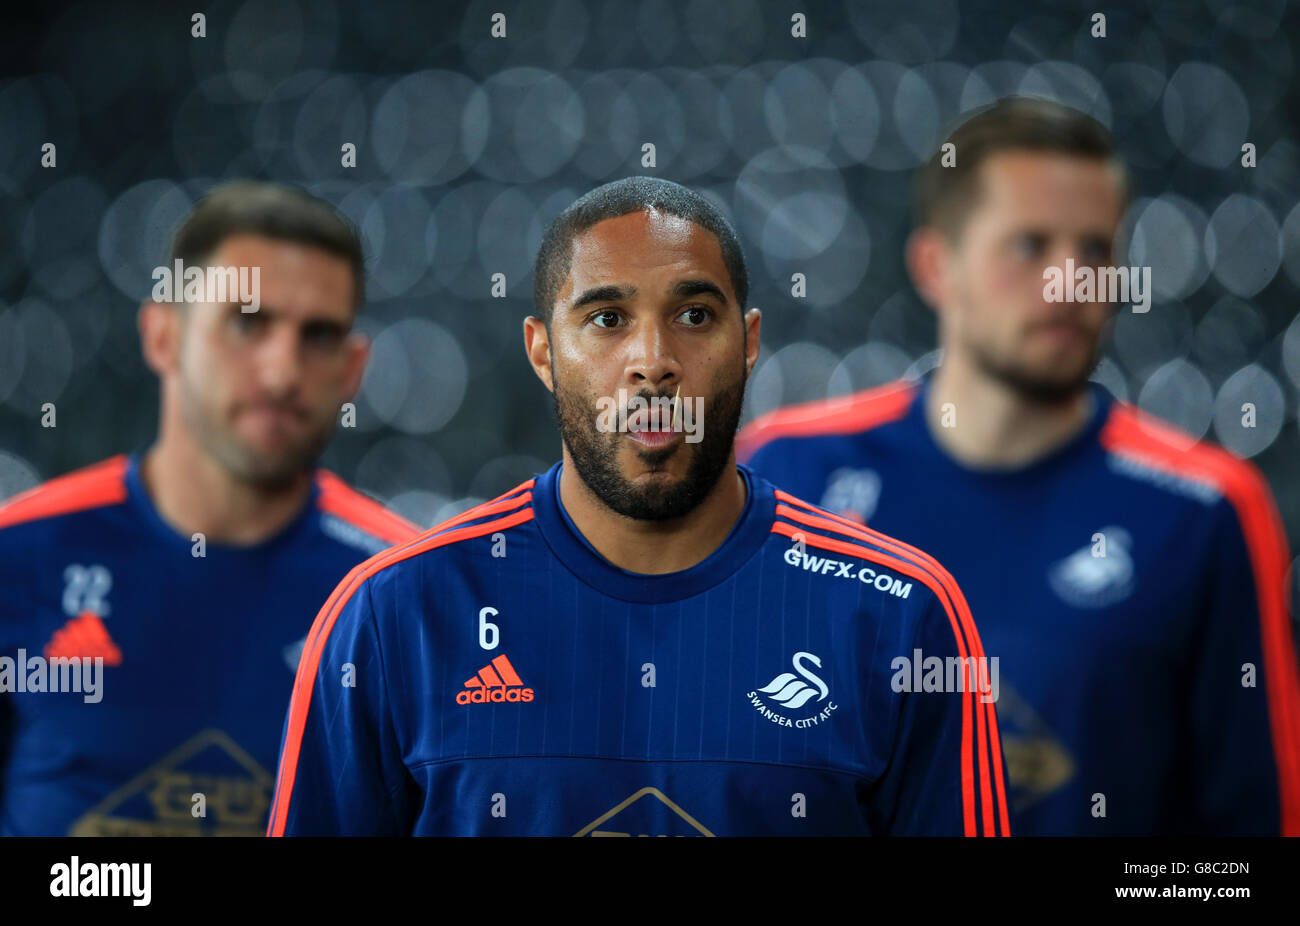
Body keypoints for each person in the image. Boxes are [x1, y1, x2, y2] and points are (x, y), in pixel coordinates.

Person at [268, 177, 1009, 837]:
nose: (653, 359)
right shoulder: (396, 615)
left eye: (693, 316)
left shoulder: (900, 615)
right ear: (541, 352)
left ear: (748, 344)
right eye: (606, 319)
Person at [738, 97, 1300, 835]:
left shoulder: (1203, 509)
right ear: (937, 266)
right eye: (1030, 245)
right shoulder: (788, 470)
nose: (1072, 282)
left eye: (1096, 251)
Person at [0, 181, 418, 835]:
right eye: (248, 322)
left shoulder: (406, 594)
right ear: (163, 335)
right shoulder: (17, 557)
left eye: (318, 335)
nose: (282, 371)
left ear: (353, 368)